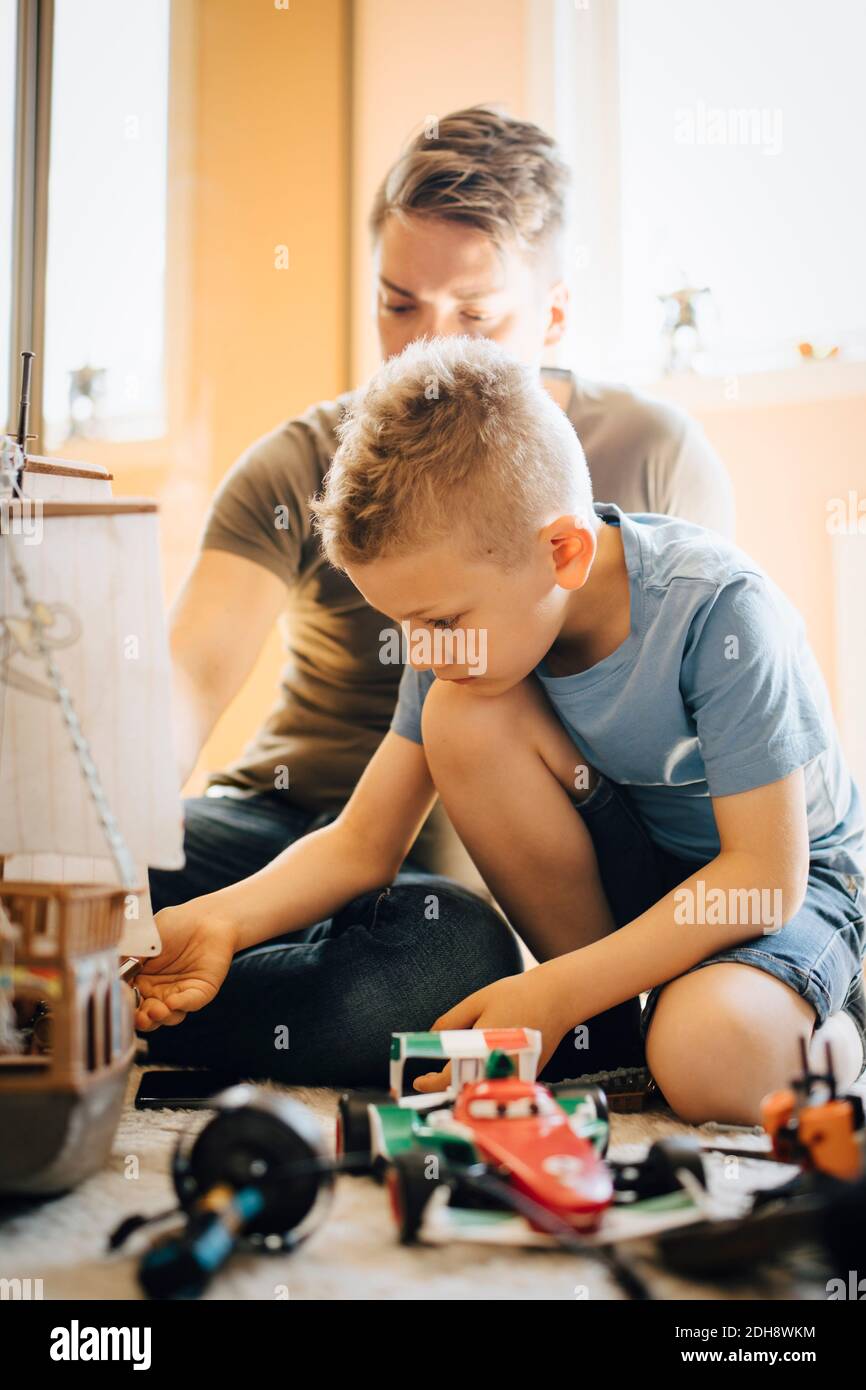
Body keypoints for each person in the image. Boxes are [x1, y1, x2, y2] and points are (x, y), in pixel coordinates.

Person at [143, 106, 733, 1085]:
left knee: (442, 963)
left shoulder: (655, 454)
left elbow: (696, 732)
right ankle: (144, 978)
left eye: (474, 314)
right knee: (95, 881)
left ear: (552, 315)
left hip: (452, 884)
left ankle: (122, 1002)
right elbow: (186, 680)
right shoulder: (301, 461)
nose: (424, 348)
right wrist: (99, 839)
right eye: (398, 304)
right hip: (292, 829)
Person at [138, 336, 864, 1124]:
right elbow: (363, 842)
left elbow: (764, 877)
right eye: (405, 624)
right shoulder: (458, 644)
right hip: (643, 877)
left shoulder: (719, 610)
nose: (420, 651)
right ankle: (608, 1029)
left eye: (439, 622)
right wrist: (221, 919)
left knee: (710, 1057)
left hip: (786, 887)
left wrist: (554, 988)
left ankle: (839, 1021)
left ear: (564, 552)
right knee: (461, 717)